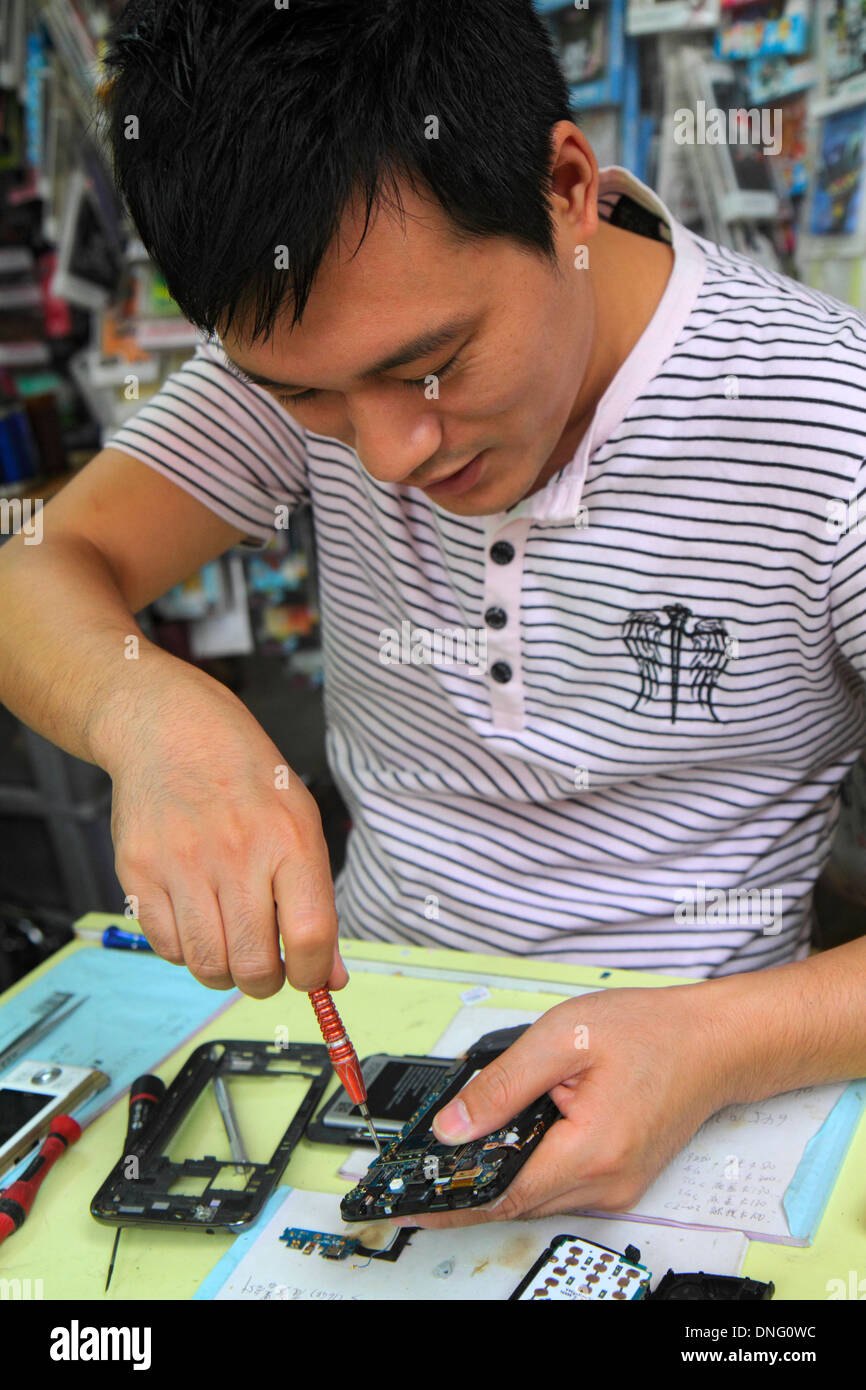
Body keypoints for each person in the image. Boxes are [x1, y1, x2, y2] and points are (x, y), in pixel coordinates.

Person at [2, 0, 866, 1230]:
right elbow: (37, 567)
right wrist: (143, 711)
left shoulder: (832, 435)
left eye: (435, 366)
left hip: (715, 1079)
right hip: (369, 1027)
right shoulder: (317, 327)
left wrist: (717, 1044)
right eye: (310, 396)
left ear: (565, 188)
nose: (390, 452)